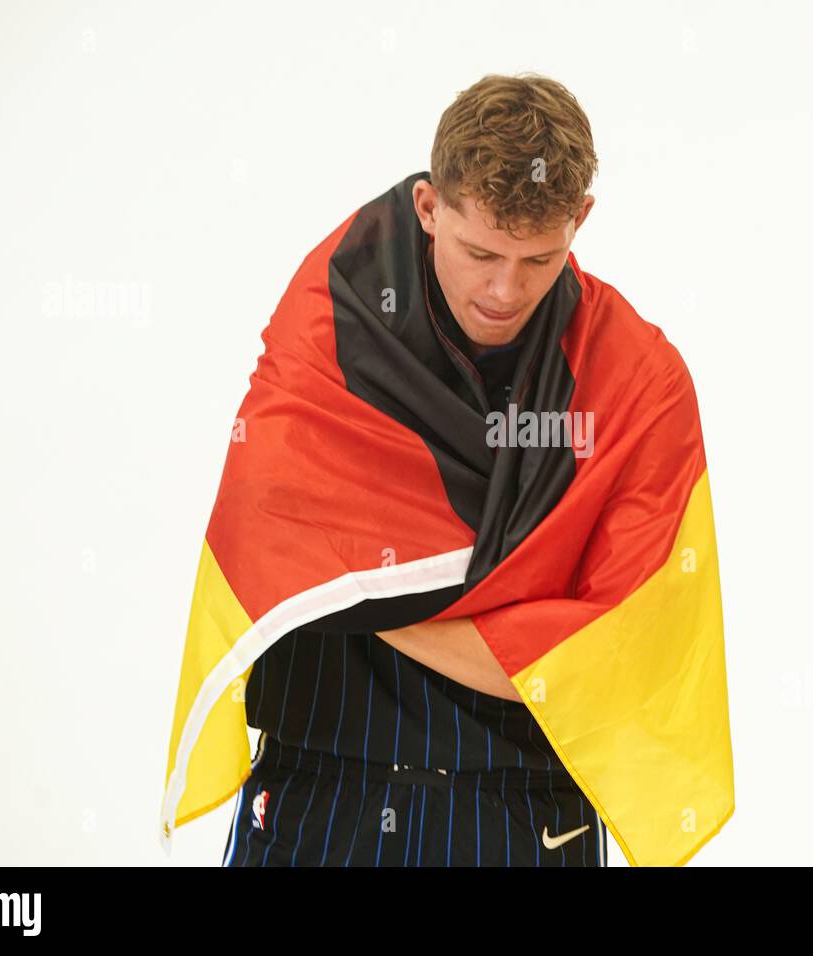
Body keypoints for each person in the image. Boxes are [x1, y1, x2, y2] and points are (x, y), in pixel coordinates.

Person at [222, 72, 609, 867]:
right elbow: (264, 544)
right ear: (430, 208)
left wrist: (345, 580)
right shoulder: (326, 332)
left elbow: (600, 655)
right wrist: (489, 619)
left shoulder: (625, 381)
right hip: (320, 799)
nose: (505, 290)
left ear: (581, 220)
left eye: (539, 259)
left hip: (525, 817)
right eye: (480, 253)